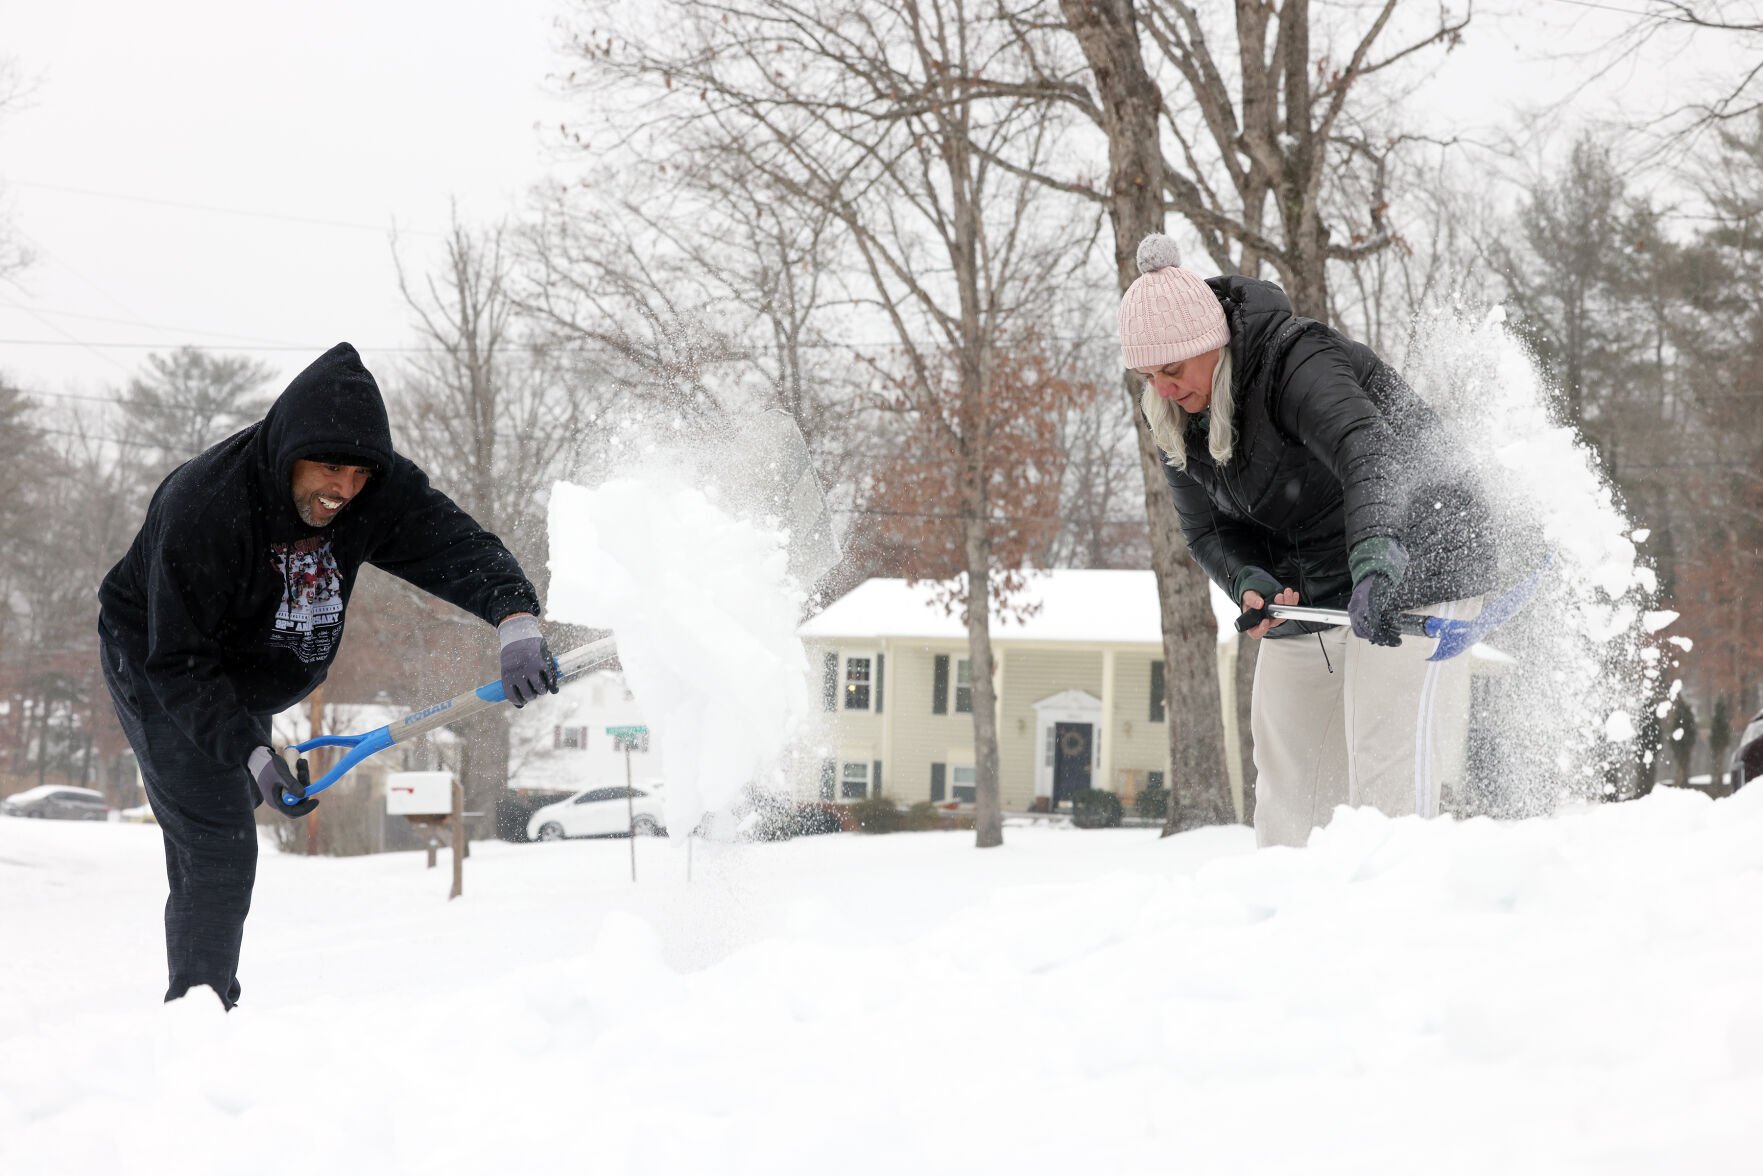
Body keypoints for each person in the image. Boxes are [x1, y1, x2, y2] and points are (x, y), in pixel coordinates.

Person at [98, 342, 559, 1009]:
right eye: (329, 467)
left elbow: (456, 547)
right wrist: (251, 750)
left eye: (359, 473)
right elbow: (182, 663)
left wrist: (514, 617)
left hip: (249, 673)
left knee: (230, 804)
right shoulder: (204, 506)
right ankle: (197, 1017)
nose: (343, 489)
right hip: (160, 661)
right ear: (287, 450)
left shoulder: (374, 489)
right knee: (220, 835)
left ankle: (200, 984)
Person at [1117, 234, 1497, 848]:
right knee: (1290, 781)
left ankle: (1397, 916)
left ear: (1210, 346)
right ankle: (1290, 926)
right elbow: (1208, 527)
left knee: (1383, 776)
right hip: (1316, 581)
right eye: (1147, 375)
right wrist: (1249, 580)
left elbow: (1367, 449)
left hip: (1422, 549)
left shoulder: (1296, 359)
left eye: (1173, 371)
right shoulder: (1170, 413)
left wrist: (1377, 553)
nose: (1162, 388)